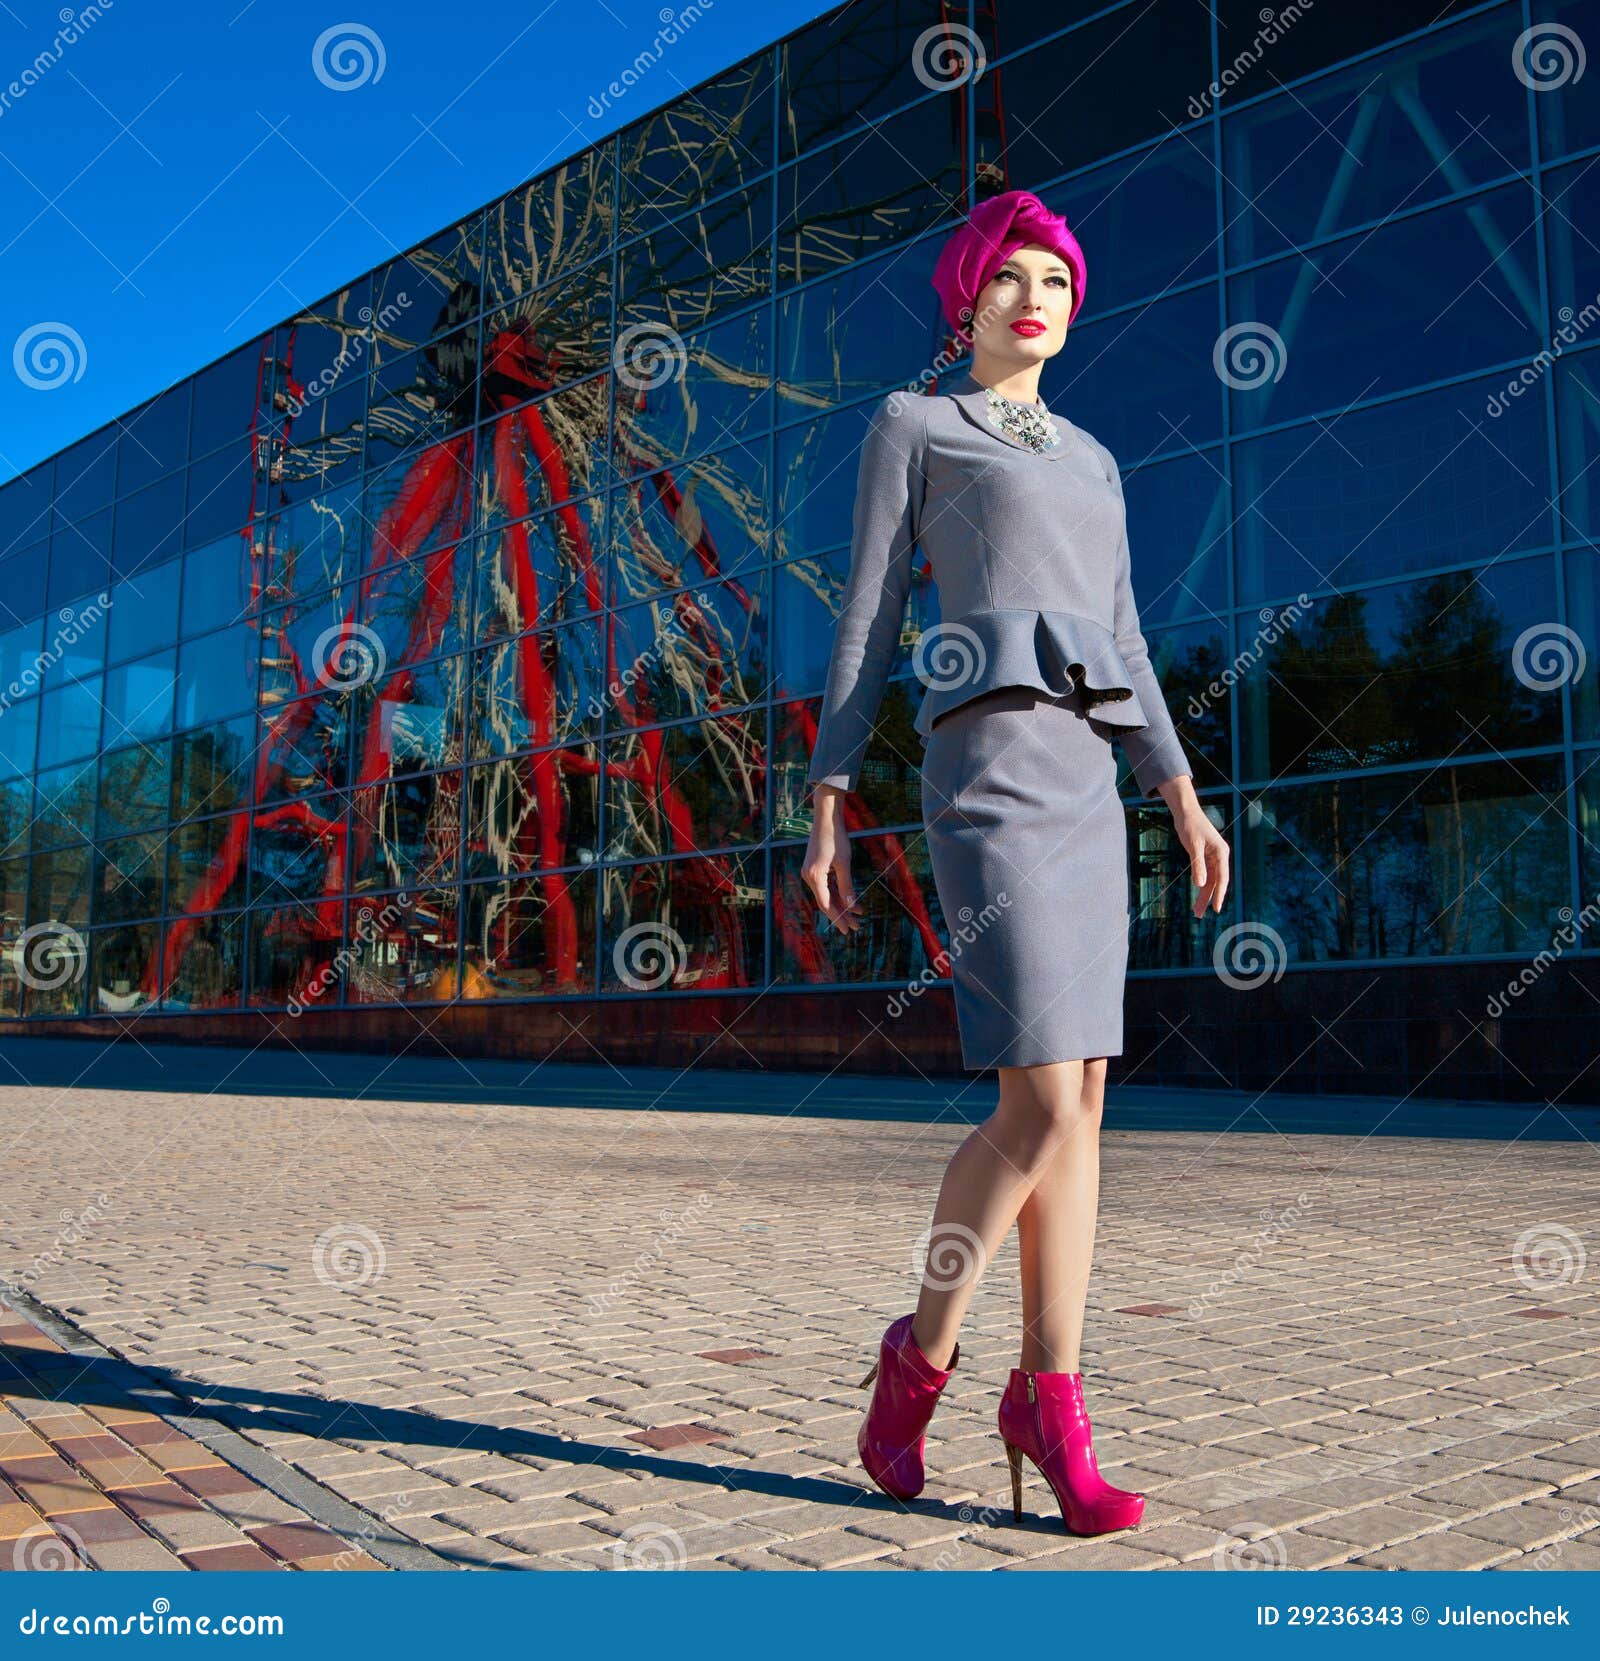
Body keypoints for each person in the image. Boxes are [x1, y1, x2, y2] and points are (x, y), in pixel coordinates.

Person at [800, 189, 1230, 1534]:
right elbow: (871, 611)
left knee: (1085, 1100)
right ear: (967, 298)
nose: (1032, 299)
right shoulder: (916, 424)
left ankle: (1052, 1401)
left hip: (1087, 779)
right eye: (1008, 277)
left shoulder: (1096, 462)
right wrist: (828, 790)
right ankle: (919, 1358)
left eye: (1055, 280)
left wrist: (1179, 790)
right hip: (983, 770)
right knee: (1036, 1102)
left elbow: (1125, 637)